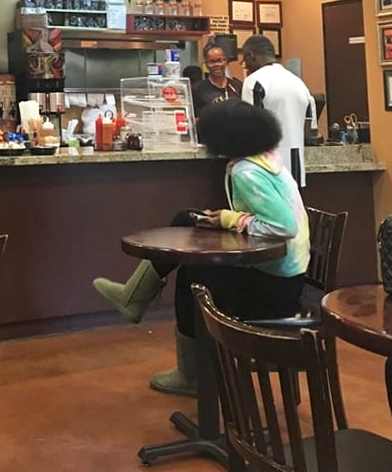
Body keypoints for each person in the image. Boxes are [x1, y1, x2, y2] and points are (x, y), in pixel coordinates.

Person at [93, 99, 310, 398]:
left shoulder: (246, 172)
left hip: (275, 286)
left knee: (192, 276)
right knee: (185, 219)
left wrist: (229, 218)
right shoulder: (266, 159)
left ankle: (191, 375)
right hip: (286, 273)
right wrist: (224, 219)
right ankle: (134, 296)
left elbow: (284, 226)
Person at [240, 34, 316, 187]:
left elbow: (249, 128)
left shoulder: (254, 82)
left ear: (251, 56)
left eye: (244, 61)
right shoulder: (299, 83)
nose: (246, 67)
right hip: (296, 169)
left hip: (266, 168)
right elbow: (309, 131)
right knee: (294, 211)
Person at [192, 42, 242, 117]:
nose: (217, 65)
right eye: (212, 62)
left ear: (226, 61)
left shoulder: (237, 85)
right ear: (206, 64)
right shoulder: (198, 89)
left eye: (220, 60)